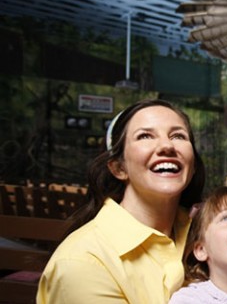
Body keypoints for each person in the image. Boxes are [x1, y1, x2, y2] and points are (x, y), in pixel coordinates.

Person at [37, 99, 206, 303]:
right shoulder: (83, 262)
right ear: (119, 168)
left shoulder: (209, 233)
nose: (166, 145)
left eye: (178, 135)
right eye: (145, 136)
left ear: (193, 165)